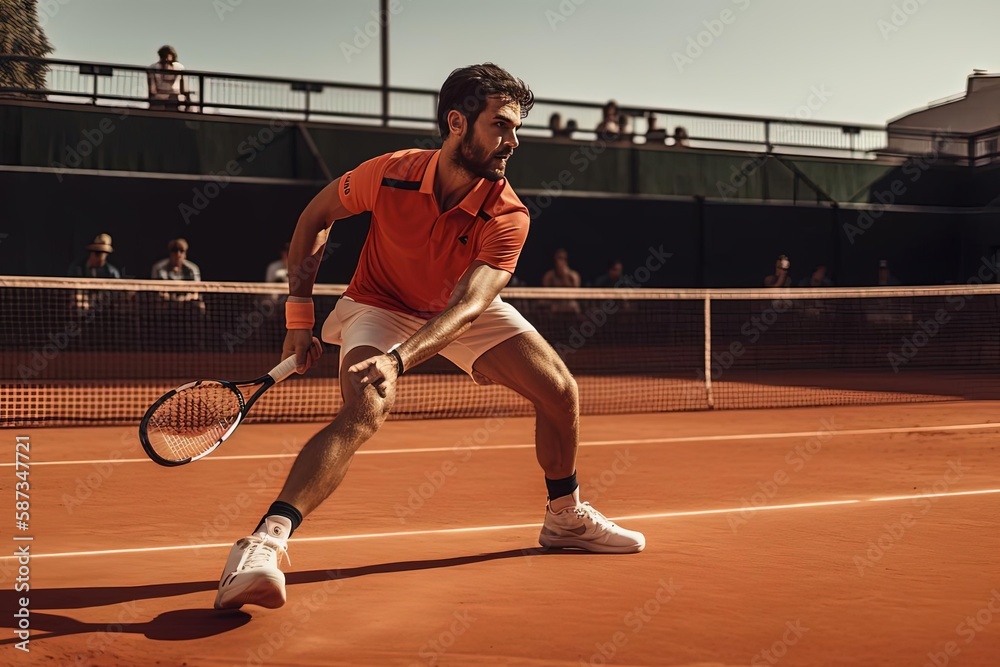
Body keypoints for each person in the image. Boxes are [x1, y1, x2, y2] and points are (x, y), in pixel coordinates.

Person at [214, 63, 645, 611]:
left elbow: (468, 306)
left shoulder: (508, 213)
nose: (512, 142)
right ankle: (262, 544)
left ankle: (564, 518)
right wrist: (299, 320)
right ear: (458, 123)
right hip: (379, 302)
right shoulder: (389, 172)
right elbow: (315, 217)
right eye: (501, 126)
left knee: (560, 390)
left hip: (455, 308)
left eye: (516, 130)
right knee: (364, 411)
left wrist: (399, 359)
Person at [148, 45, 188, 112]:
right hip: (160, 94)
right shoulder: (154, 67)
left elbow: (183, 86)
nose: (166, 59)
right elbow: (152, 86)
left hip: (175, 95)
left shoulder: (179, 67)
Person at [542, 248, 582, 313]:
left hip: (569, 302)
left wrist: (565, 277)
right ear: (555, 260)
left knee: (574, 306)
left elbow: (576, 293)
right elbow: (545, 294)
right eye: (559, 258)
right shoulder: (549, 276)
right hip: (555, 303)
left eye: (564, 259)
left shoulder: (573, 276)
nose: (562, 261)